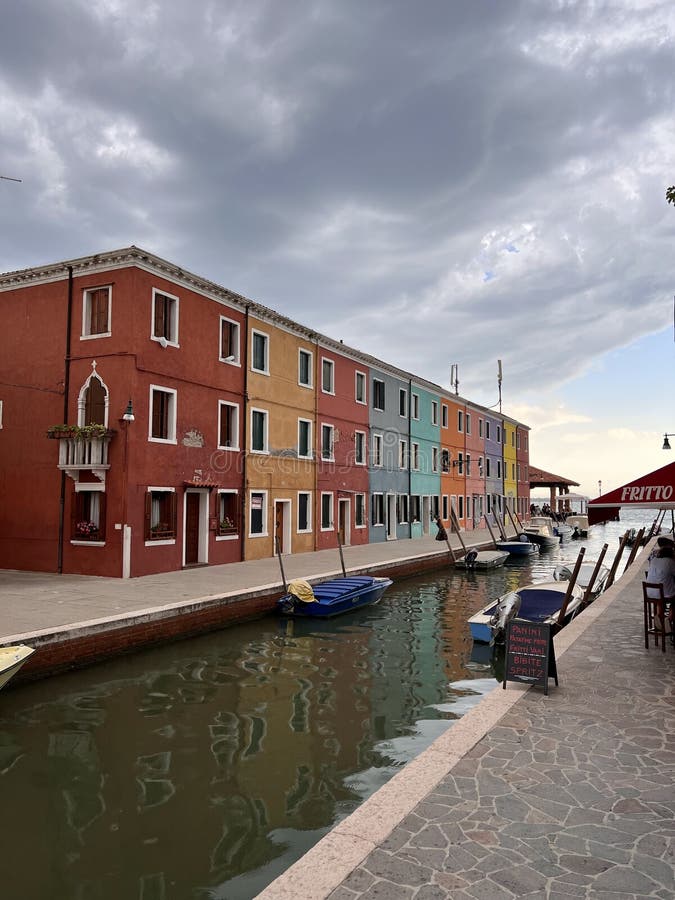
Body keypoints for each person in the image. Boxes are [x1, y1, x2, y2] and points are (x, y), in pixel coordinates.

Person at [646, 544, 675, 635]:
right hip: (663, 593)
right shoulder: (670, 562)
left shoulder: (654, 560)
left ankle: (659, 616)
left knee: (660, 599)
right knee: (673, 599)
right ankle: (669, 619)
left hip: (649, 592)